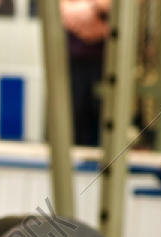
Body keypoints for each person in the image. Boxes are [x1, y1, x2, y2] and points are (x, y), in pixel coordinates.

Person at [61, 0, 111, 147]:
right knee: (74, 112)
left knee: (101, 112)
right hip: (73, 59)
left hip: (106, 60)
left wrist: (94, 8)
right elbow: (63, 11)